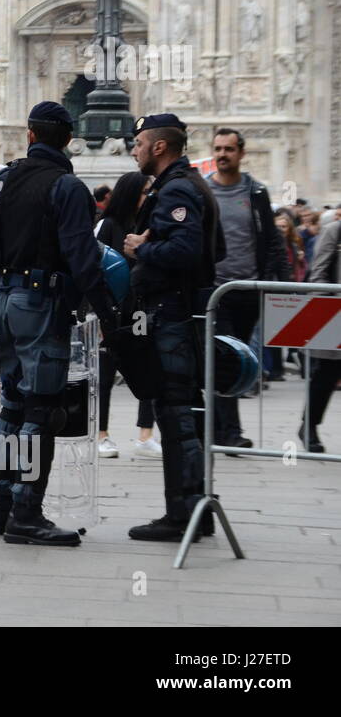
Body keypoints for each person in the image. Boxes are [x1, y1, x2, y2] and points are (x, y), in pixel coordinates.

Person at [0, 102, 118, 546]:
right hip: (40, 302)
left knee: (12, 405)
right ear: (68, 139)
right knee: (42, 409)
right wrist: (104, 308)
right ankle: (27, 512)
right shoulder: (67, 186)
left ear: (29, 135)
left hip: (2, 298)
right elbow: (82, 255)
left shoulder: (1, 180)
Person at [123, 113, 224, 541]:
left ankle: (184, 514)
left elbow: (187, 251)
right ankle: (191, 511)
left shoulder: (178, 188)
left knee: (176, 410)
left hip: (171, 313)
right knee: (178, 410)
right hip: (175, 311)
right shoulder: (186, 184)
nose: (134, 149)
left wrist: (143, 248)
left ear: (159, 146)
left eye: (139, 142)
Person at [205, 128, 287, 446]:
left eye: (228, 149)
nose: (222, 154)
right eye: (217, 148)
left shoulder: (256, 192)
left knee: (238, 356)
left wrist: (274, 281)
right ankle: (232, 432)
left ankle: (218, 428)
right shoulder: (205, 192)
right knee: (229, 355)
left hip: (248, 289)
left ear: (241, 152)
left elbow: (270, 239)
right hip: (216, 291)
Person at [94, 171, 161, 459]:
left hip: (140, 309)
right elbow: (93, 268)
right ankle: (102, 433)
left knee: (147, 367)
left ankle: (146, 433)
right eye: (144, 192)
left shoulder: (149, 225)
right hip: (111, 311)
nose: (149, 198)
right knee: (105, 373)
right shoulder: (107, 225)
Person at [303, 214, 340, 452]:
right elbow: (319, 272)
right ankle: (309, 426)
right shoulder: (335, 230)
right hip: (336, 314)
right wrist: (324, 311)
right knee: (326, 374)